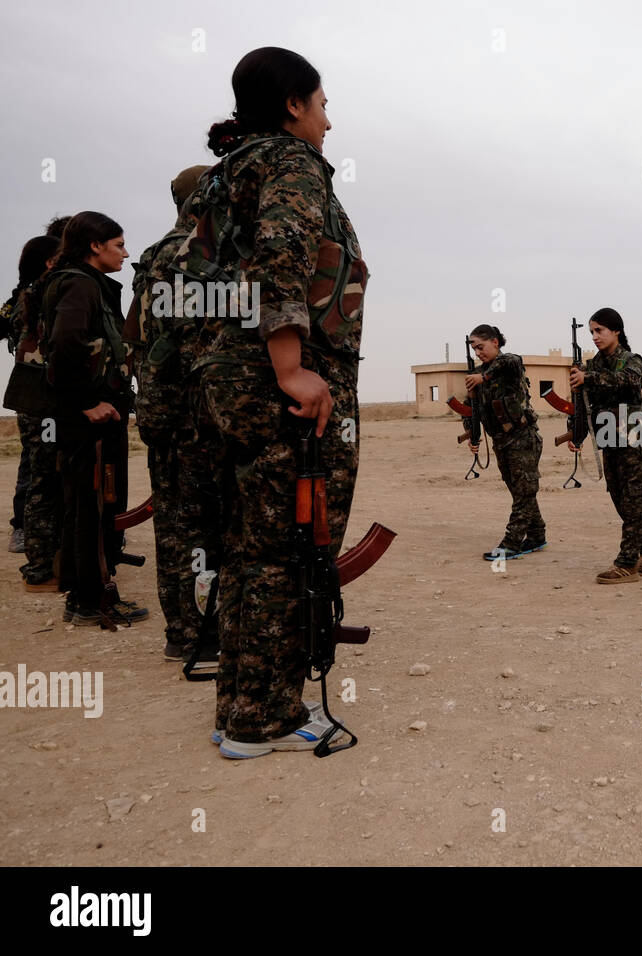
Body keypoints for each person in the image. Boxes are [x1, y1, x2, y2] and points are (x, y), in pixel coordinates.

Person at [187, 47, 369, 757]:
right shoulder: (290, 161)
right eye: (322, 104)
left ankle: (240, 702)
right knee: (289, 551)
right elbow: (281, 253)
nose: (329, 120)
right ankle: (265, 719)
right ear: (293, 104)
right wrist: (292, 367)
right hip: (281, 388)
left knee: (250, 548)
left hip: (229, 384)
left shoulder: (222, 175)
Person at [123, 165, 221, 667]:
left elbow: (139, 336)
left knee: (175, 527)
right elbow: (192, 340)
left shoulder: (153, 256)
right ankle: (203, 635)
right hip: (192, 416)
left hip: (164, 412)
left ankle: (184, 632)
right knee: (202, 527)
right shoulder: (194, 253)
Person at [38, 212, 145, 626]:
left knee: (89, 505)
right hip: (91, 421)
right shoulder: (80, 284)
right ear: (95, 246)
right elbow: (65, 343)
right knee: (93, 508)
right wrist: (87, 402)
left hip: (95, 415)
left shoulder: (80, 282)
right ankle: (91, 600)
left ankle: (84, 595)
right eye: (118, 244)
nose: (125, 252)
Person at [568, 308, 642, 582]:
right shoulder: (593, 365)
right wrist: (576, 434)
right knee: (621, 499)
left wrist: (589, 378)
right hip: (609, 437)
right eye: (592, 332)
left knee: (634, 499)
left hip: (634, 437)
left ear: (616, 331)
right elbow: (583, 406)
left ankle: (627, 563)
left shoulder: (631, 360)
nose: (595, 337)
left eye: (600, 330)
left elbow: (629, 380)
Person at [3, 234, 61, 575]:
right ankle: (25, 531)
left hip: (33, 392)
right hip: (38, 390)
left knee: (38, 465)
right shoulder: (33, 294)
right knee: (38, 467)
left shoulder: (34, 292)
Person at [464, 324, 547, 559]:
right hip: (500, 440)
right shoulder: (477, 376)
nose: (478, 352)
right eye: (474, 348)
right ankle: (537, 534)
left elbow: (512, 360)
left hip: (522, 437)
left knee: (523, 491)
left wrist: (484, 376)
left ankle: (511, 543)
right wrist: (472, 434)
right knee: (520, 491)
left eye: (481, 346)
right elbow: (469, 410)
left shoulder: (507, 366)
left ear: (495, 342)